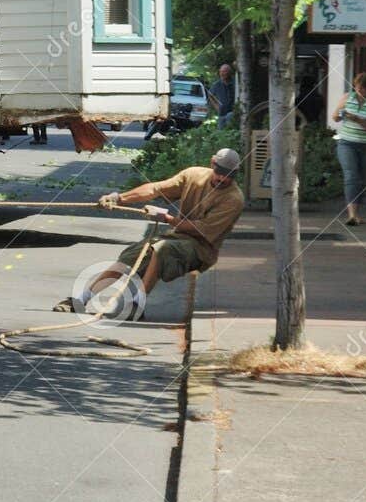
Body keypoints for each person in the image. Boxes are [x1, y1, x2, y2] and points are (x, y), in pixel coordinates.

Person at [57, 148, 245, 316]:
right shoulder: (194, 175)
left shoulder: (234, 199)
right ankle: (79, 300)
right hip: (176, 236)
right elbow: (155, 189)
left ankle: (136, 304)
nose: (223, 179)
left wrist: (167, 219)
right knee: (128, 259)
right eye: (220, 172)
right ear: (212, 163)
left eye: (229, 175)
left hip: (201, 249)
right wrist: (118, 198)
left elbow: (201, 230)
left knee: (161, 249)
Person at [332, 71, 366, 226]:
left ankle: (357, 213)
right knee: (351, 176)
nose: (359, 91)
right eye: (357, 88)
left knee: (362, 178)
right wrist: (342, 114)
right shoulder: (347, 97)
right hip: (347, 143)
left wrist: (357, 119)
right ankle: (352, 215)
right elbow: (335, 116)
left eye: (363, 89)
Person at [208, 63, 237, 128]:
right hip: (221, 113)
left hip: (233, 112)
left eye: (224, 71)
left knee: (230, 125)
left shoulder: (236, 82)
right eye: (221, 71)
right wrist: (216, 106)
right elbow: (210, 95)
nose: (222, 73)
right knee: (221, 133)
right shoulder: (216, 84)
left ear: (229, 72)